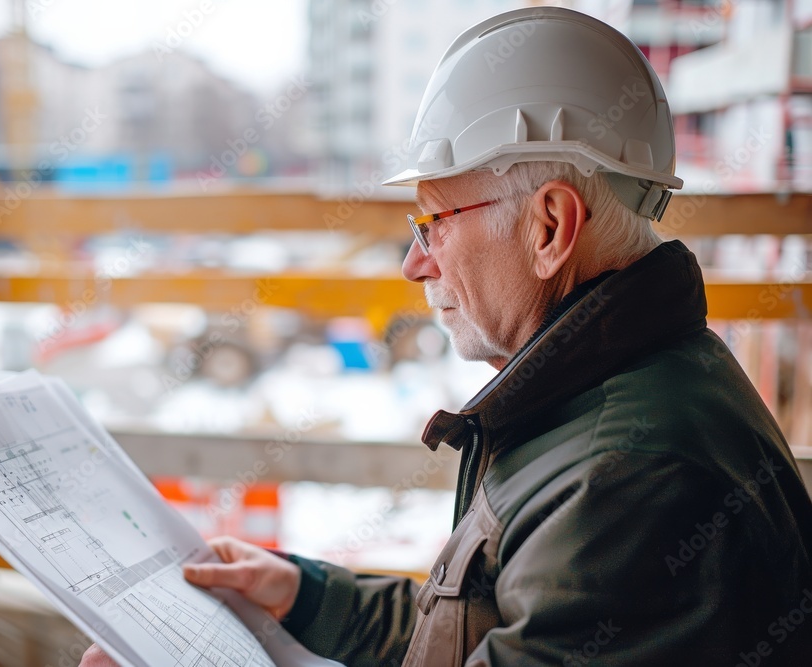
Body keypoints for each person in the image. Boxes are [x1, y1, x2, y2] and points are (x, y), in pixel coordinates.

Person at [83, 6, 812, 665]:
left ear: (550, 227)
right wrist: (306, 599)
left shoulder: (631, 483)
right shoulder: (614, 398)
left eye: (433, 222)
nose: (414, 263)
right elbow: (488, 624)